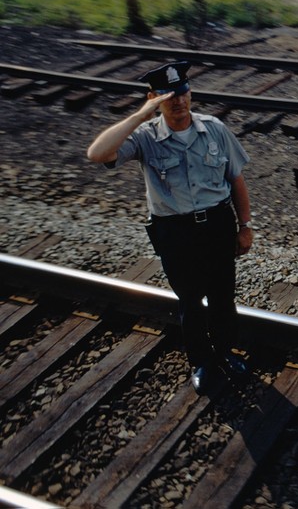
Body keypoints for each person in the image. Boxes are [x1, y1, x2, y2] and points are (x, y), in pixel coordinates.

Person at [86, 61, 254, 393]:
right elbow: (96, 153)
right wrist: (139, 115)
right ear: (154, 99)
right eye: (166, 95)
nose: (178, 101)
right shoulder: (145, 138)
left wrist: (245, 226)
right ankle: (202, 362)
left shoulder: (215, 129)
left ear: (190, 93)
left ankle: (224, 353)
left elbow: (236, 179)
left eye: (181, 92)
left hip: (218, 225)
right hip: (175, 233)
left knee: (223, 298)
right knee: (190, 302)